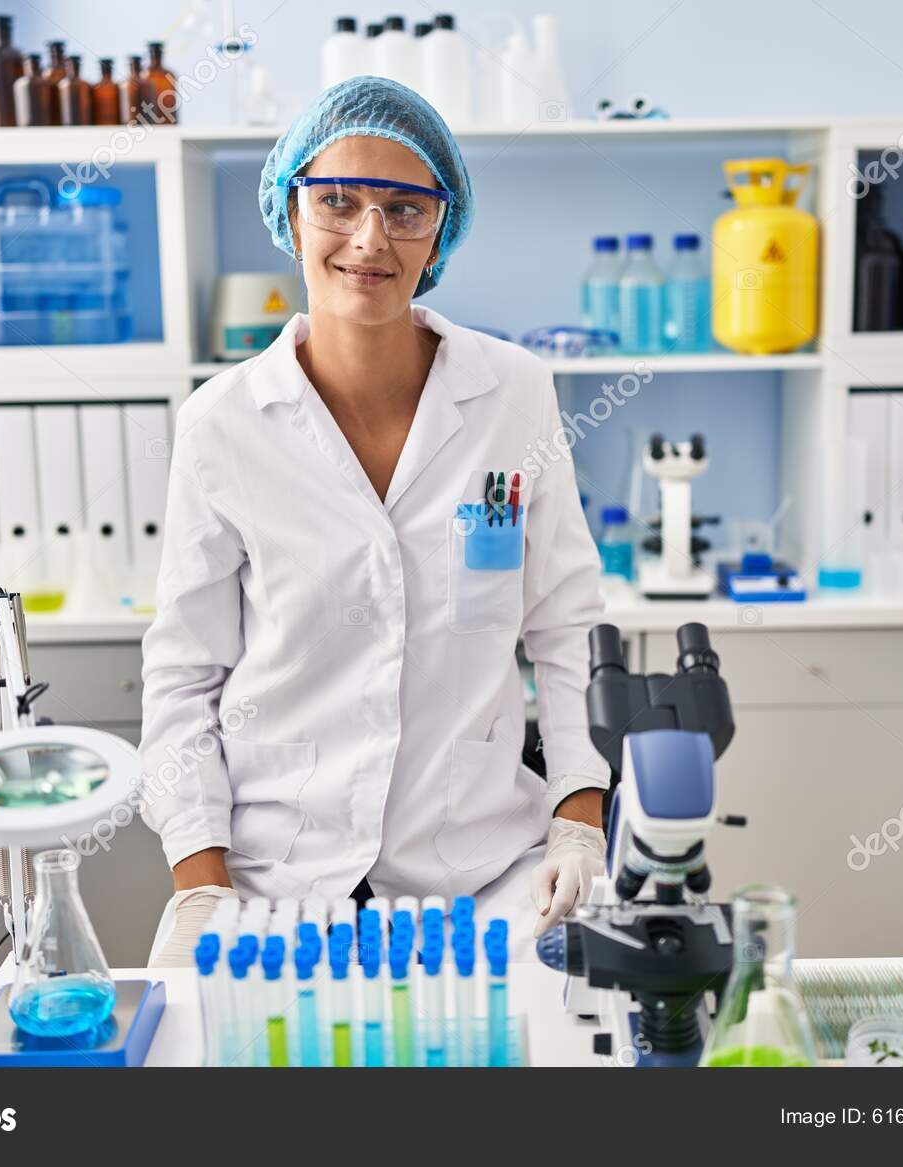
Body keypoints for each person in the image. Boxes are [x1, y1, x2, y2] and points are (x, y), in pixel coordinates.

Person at [141, 76, 608, 966]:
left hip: (482, 872)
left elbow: (566, 625)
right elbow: (183, 675)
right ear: (291, 210)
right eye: (338, 201)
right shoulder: (223, 421)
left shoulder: (513, 394)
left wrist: (578, 817)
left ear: (442, 228)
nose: (369, 237)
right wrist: (201, 881)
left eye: (405, 208)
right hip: (274, 880)